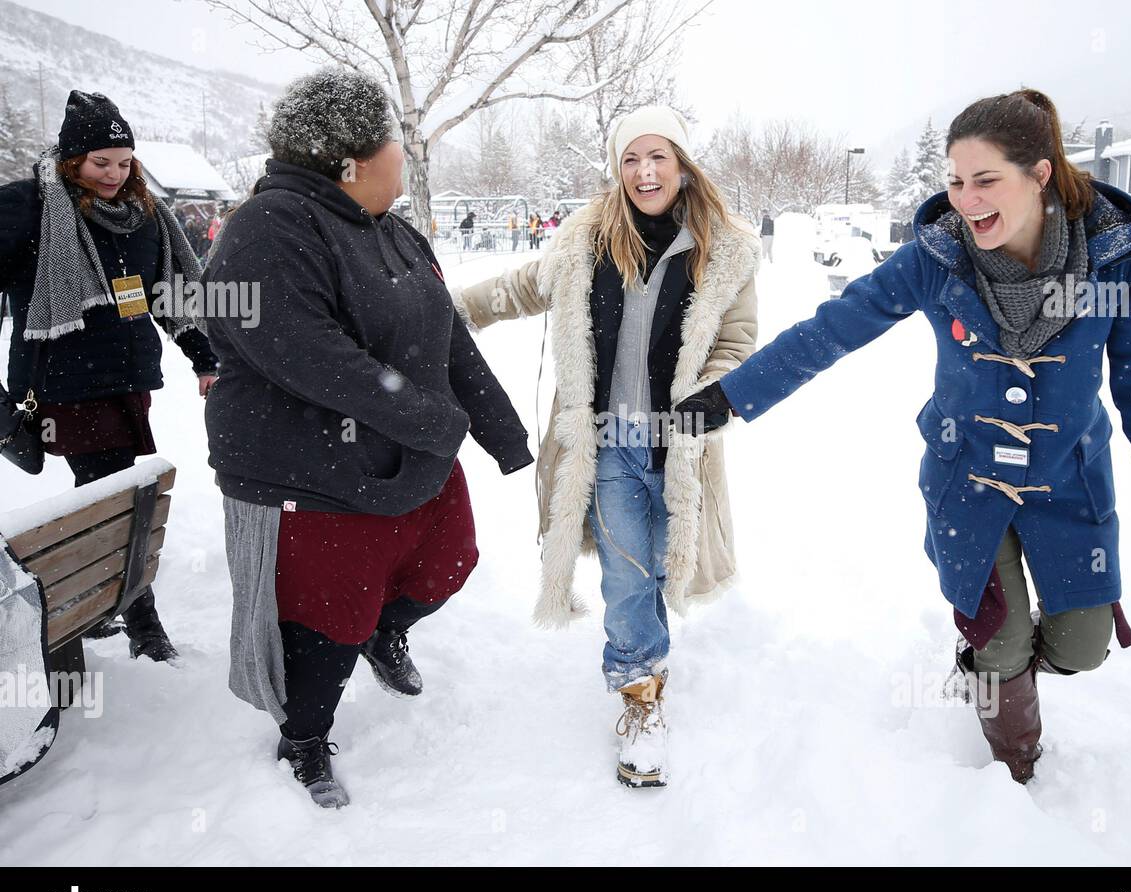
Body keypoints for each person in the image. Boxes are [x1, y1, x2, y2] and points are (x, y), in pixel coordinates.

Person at [676, 89, 1131, 784]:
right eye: (955, 181)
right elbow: (834, 327)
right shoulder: (938, 258)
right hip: (965, 477)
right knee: (1000, 648)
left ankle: (1000, 662)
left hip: (1068, 477)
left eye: (985, 180)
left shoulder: (1115, 258)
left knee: (1082, 647)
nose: (966, 200)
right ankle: (1013, 770)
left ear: (1039, 173)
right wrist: (733, 393)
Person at [204, 67, 533, 809]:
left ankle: (386, 632)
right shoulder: (270, 227)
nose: (398, 152)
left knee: (448, 562)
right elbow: (313, 357)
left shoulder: (395, 230)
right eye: (389, 138)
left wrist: (501, 433)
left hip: (405, 450)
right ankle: (304, 740)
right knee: (326, 620)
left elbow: (449, 337)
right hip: (309, 468)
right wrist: (435, 420)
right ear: (349, 160)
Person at [453, 105, 760, 788]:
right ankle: (641, 697)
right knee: (626, 577)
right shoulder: (585, 241)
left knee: (658, 567)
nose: (645, 171)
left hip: (680, 450)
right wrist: (447, 309)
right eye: (631, 159)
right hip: (612, 447)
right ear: (618, 168)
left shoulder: (727, 248)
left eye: (658, 157)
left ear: (682, 164)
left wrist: (710, 395)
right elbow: (518, 287)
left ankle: (648, 656)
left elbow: (738, 342)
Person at [0, 90, 219, 663]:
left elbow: (164, 295)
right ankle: (141, 621)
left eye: (124, 163)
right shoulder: (34, 207)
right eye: (101, 162)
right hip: (65, 383)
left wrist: (202, 356)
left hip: (129, 380)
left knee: (103, 493)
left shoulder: (144, 216)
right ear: (72, 161)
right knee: (116, 488)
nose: (114, 175)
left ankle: (87, 607)